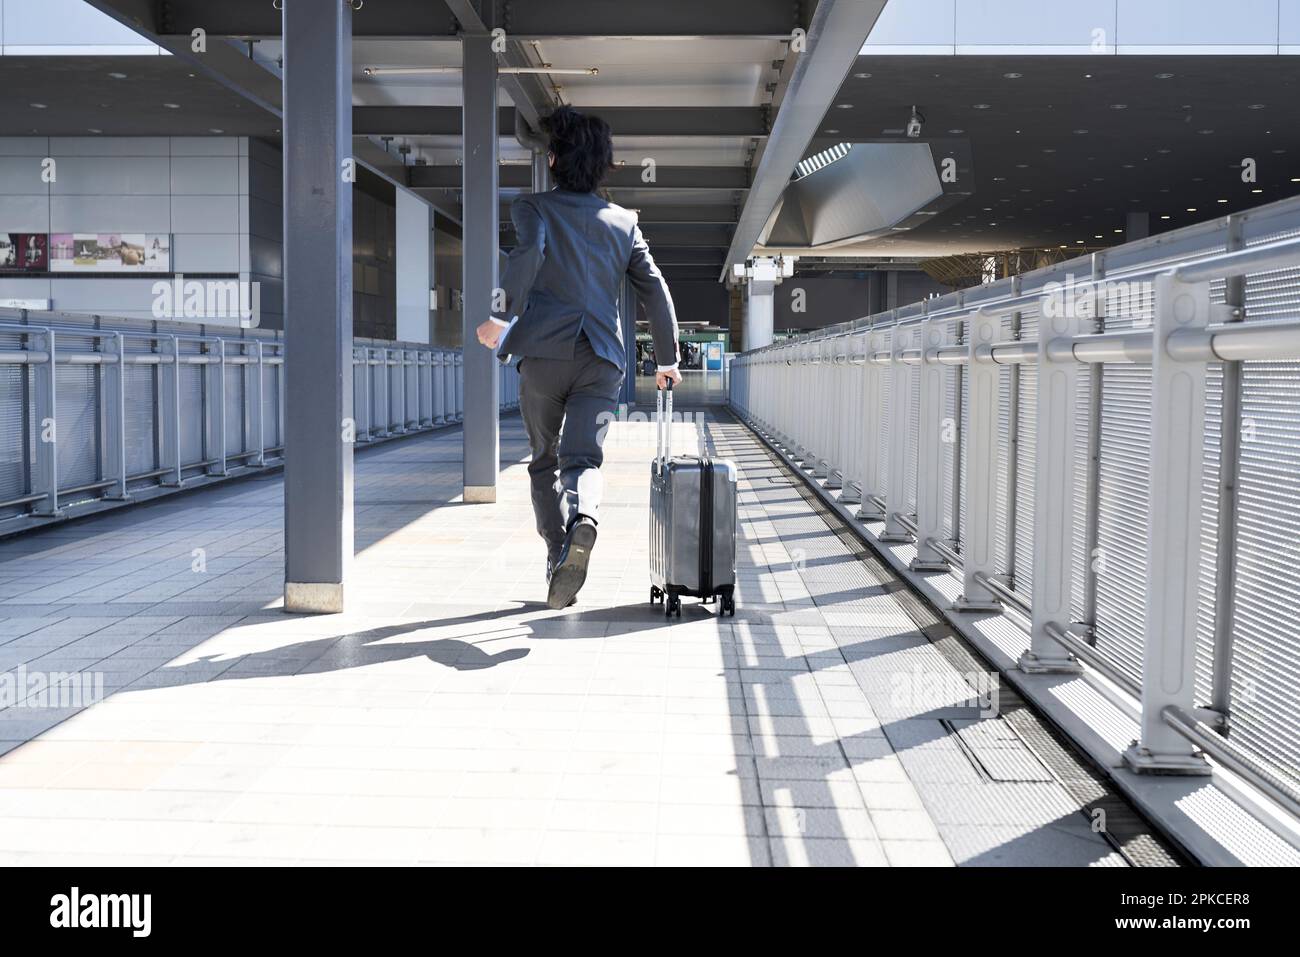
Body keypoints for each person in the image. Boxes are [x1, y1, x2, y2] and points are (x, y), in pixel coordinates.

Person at [476, 106, 681, 610]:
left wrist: (500, 321)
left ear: (552, 160)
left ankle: (557, 551)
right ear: (602, 166)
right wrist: (667, 359)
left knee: (544, 461)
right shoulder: (624, 222)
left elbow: (529, 256)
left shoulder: (534, 208)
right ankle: (584, 517)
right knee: (584, 457)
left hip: (544, 355)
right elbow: (654, 290)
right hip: (603, 359)